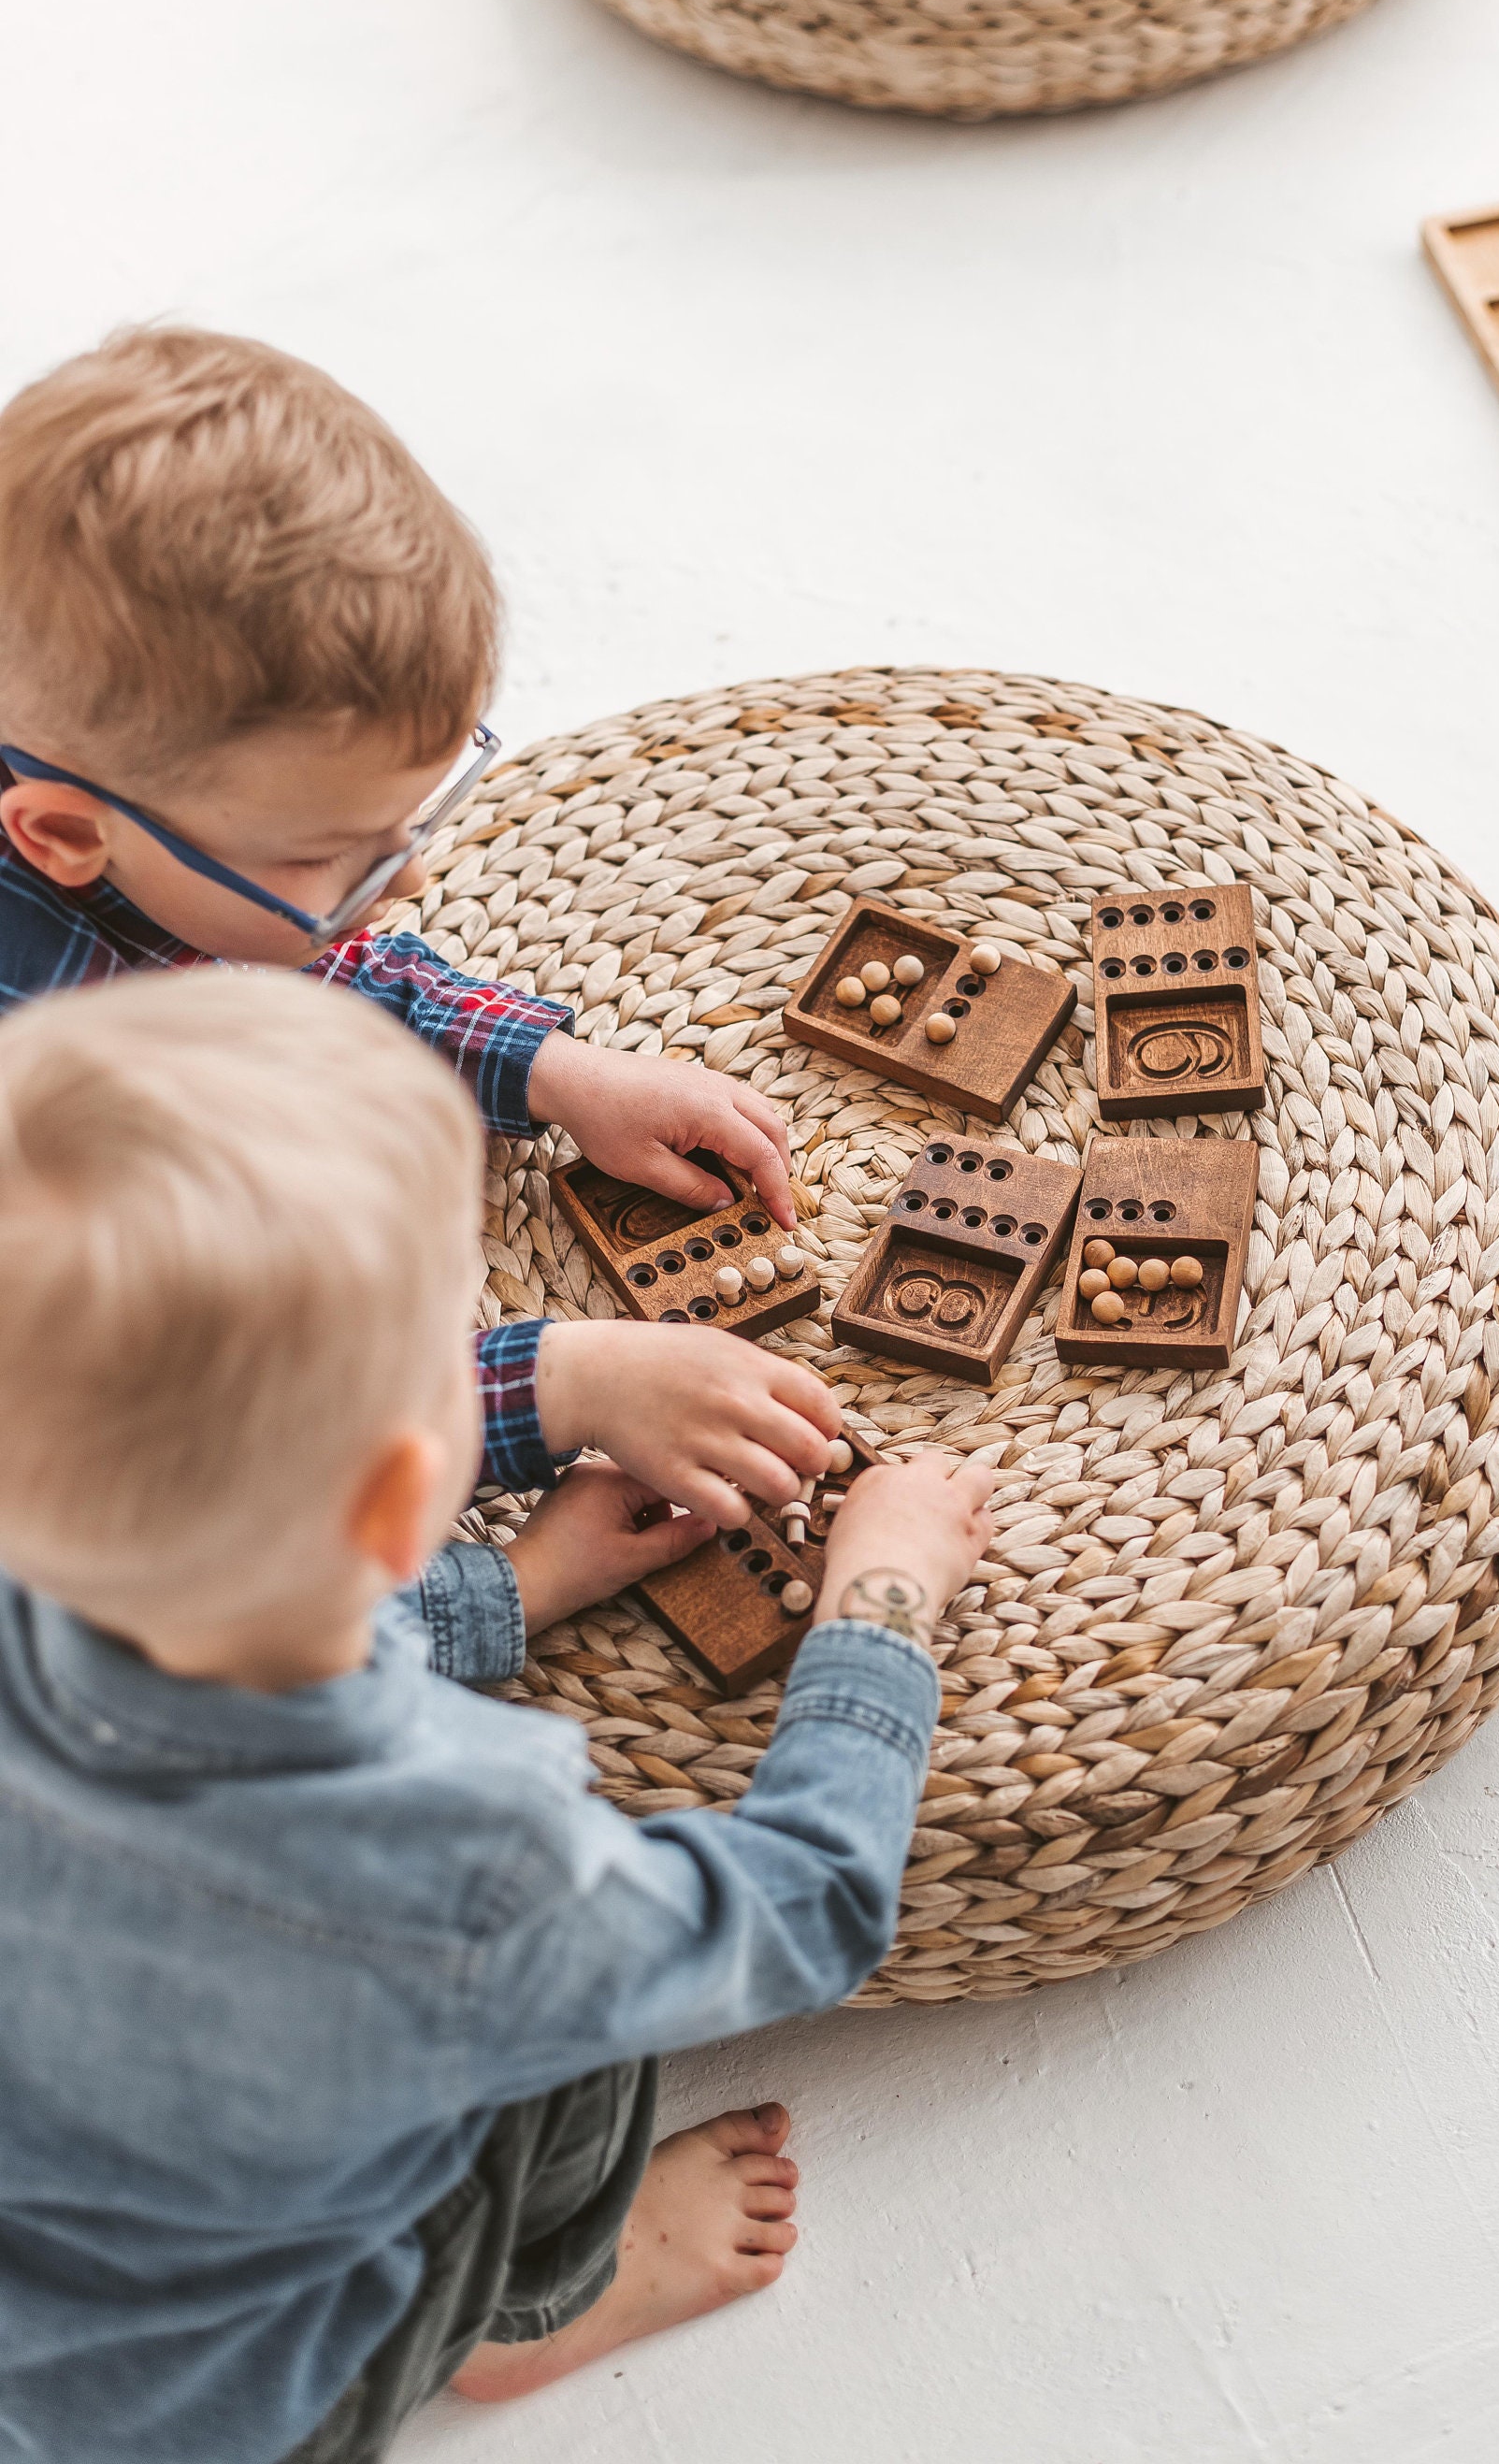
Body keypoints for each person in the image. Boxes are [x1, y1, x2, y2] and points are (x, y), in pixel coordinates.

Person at [0, 969, 993, 2463]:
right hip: (244, 2394)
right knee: (569, 2038)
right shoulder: (479, 1854)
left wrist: (518, 1588)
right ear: (411, 1496)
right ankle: (531, 2314)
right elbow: (807, 1906)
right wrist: (883, 1602)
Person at [0, 322, 825, 1532]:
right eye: (325, 859)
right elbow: (148, 1452)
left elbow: (256, 970)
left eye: (420, 814)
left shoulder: (121, 799)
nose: (406, 882)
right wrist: (545, 1394)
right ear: (64, 838)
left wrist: (548, 1066)